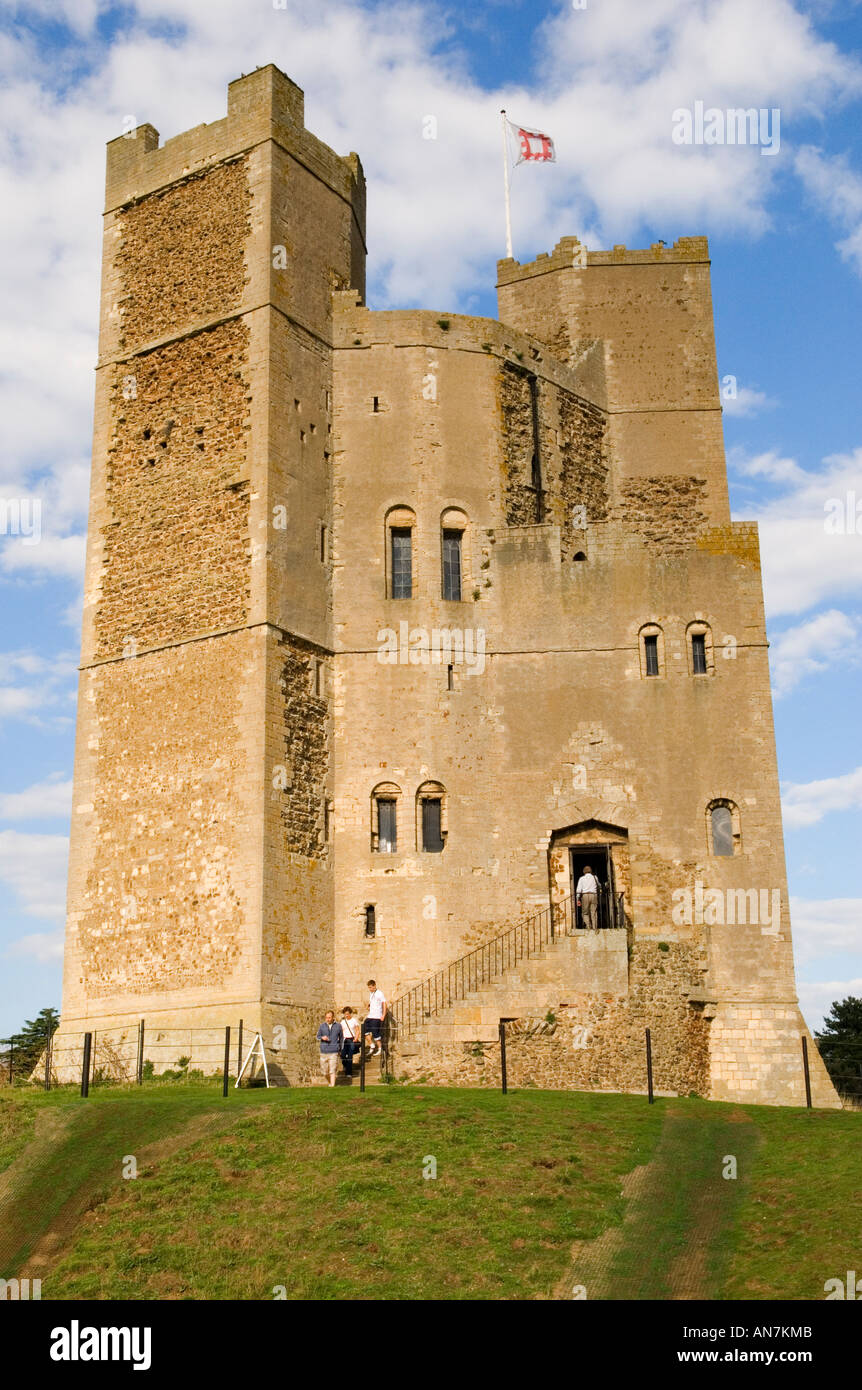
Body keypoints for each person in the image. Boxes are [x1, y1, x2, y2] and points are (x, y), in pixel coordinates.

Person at [317, 1010, 342, 1087]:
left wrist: (340, 1048)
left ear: (333, 1017)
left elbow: (341, 1038)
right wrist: (322, 1037)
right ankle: (331, 1083)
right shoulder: (322, 1026)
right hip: (323, 1051)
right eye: (326, 1017)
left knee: (332, 1070)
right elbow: (318, 1036)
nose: (328, 1019)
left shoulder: (338, 1026)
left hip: (334, 1051)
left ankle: (332, 1086)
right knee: (324, 1071)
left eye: (329, 1017)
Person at [363, 980, 387, 1056]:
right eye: (369, 988)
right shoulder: (371, 993)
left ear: (374, 986)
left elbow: (384, 1003)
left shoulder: (380, 993)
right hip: (370, 1015)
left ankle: (380, 1049)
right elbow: (373, 1002)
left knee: (375, 1033)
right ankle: (372, 1045)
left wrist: (383, 1015)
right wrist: (369, 1005)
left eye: (370, 987)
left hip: (377, 1017)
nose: (370, 989)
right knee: (364, 1030)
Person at [576, 865, 599, 930]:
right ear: (590, 871)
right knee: (593, 912)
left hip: (585, 895)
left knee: (585, 912)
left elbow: (578, 890)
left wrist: (578, 899)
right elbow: (598, 885)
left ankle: (588, 926)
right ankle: (595, 927)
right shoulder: (595, 877)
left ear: (584, 872)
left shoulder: (581, 878)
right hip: (593, 895)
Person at [340, 1006, 361, 1076]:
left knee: (349, 1056)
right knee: (342, 1055)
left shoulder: (354, 1020)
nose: (346, 1015)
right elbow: (341, 1031)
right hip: (344, 1040)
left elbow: (358, 1030)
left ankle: (348, 1073)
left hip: (351, 1039)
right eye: (345, 1014)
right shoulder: (342, 1022)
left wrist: (356, 1038)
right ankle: (346, 1066)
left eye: (348, 1014)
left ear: (350, 1013)